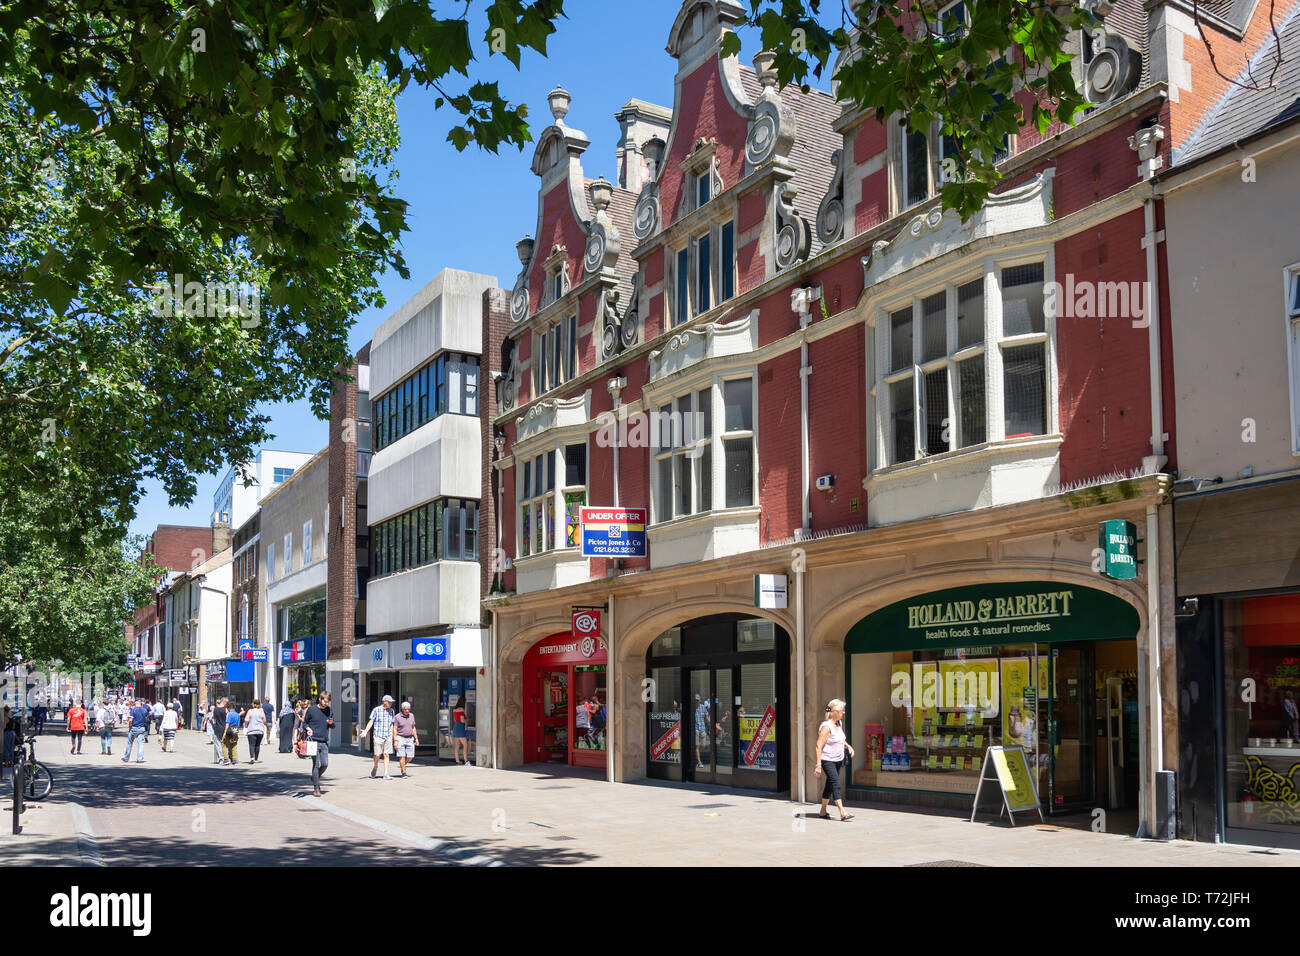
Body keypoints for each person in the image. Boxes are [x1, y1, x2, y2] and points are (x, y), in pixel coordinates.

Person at [813, 698, 855, 821]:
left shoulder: (838, 724)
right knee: (836, 783)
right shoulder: (827, 727)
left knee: (830, 785)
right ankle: (842, 812)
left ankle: (823, 811)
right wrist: (819, 765)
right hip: (827, 760)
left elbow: (840, 739)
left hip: (838, 759)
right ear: (834, 712)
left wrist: (848, 746)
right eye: (842, 710)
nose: (843, 713)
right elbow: (818, 746)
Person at [301, 692, 334, 797]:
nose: (326, 703)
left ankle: (315, 777)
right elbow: (304, 723)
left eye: (328, 702)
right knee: (315, 764)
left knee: (325, 764)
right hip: (313, 741)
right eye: (324, 701)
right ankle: (316, 788)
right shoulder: (312, 710)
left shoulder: (330, 710)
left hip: (324, 741)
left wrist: (331, 723)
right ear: (320, 699)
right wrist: (308, 728)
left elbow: (333, 725)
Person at [360, 695, 397, 779]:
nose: (391, 703)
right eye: (389, 702)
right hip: (378, 735)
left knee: (386, 754)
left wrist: (392, 736)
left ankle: (386, 774)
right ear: (384, 702)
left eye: (391, 702)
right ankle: (375, 766)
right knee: (377, 754)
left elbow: (392, 723)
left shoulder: (392, 711)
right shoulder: (376, 710)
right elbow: (371, 721)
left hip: (388, 735)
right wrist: (365, 731)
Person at [393, 700, 419, 778]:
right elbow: (394, 729)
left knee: (410, 757)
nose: (407, 711)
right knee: (402, 756)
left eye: (408, 709)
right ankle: (403, 772)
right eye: (405, 709)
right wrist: (395, 741)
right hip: (400, 737)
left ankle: (402, 765)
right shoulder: (397, 717)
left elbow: (413, 727)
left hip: (410, 738)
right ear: (402, 709)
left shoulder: (411, 716)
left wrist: (416, 738)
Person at [122, 698, 150, 764]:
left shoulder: (133, 710)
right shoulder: (144, 710)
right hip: (142, 728)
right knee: (140, 744)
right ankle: (139, 759)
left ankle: (126, 758)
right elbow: (147, 716)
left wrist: (130, 728)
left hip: (134, 728)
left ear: (135, 703)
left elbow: (130, 720)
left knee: (129, 743)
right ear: (141, 703)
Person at [244, 697, 267, 763]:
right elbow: (265, 721)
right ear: (259, 704)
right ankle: (256, 759)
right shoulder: (261, 711)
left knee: (251, 745)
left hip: (251, 730)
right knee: (257, 745)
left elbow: (246, 719)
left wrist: (249, 722)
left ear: (253, 704)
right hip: (260, 730)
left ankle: (252, 758)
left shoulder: (250, 711)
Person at [451, 696, 470, 765]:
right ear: (463, 702)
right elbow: (462, 720)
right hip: (460, 728)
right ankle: (466, 761)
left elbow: (455, 720)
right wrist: (467, 719)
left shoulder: (454, 709)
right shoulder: (461, 709)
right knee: (465, 745)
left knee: (457, 745)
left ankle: (457, 761)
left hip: (455, 727)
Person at [221, 700, 240, 764]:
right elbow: (238, 724)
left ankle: (226, 759)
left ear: (228, 708)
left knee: (224, 744)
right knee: (234, 745)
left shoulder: (229, 714)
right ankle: (234, 759)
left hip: (229, 730)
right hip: (235, 729)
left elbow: (227, 723)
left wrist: (224, 732)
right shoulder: (237, 714)